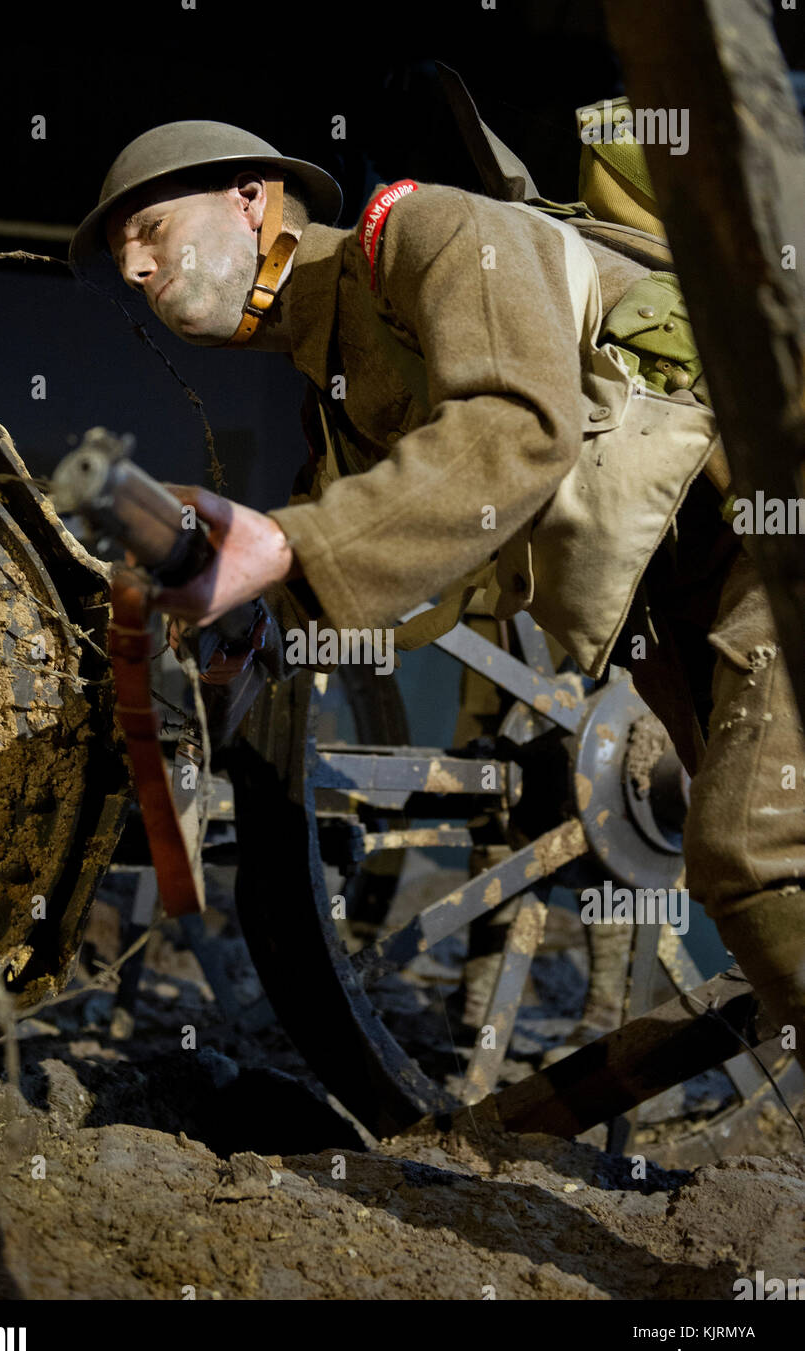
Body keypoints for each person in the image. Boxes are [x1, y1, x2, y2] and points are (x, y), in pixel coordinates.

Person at [70, 119, 805, 1071]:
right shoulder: (333, 410)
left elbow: (516, 429)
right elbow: (425, 583)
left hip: (767, 514)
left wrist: (288, 541)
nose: (133, 268)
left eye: (151, 230)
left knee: (753, 856)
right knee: (752, 859)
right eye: (121, 251)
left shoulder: (422, 232)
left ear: (250, 198)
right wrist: (249, 621)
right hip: (694, 598)